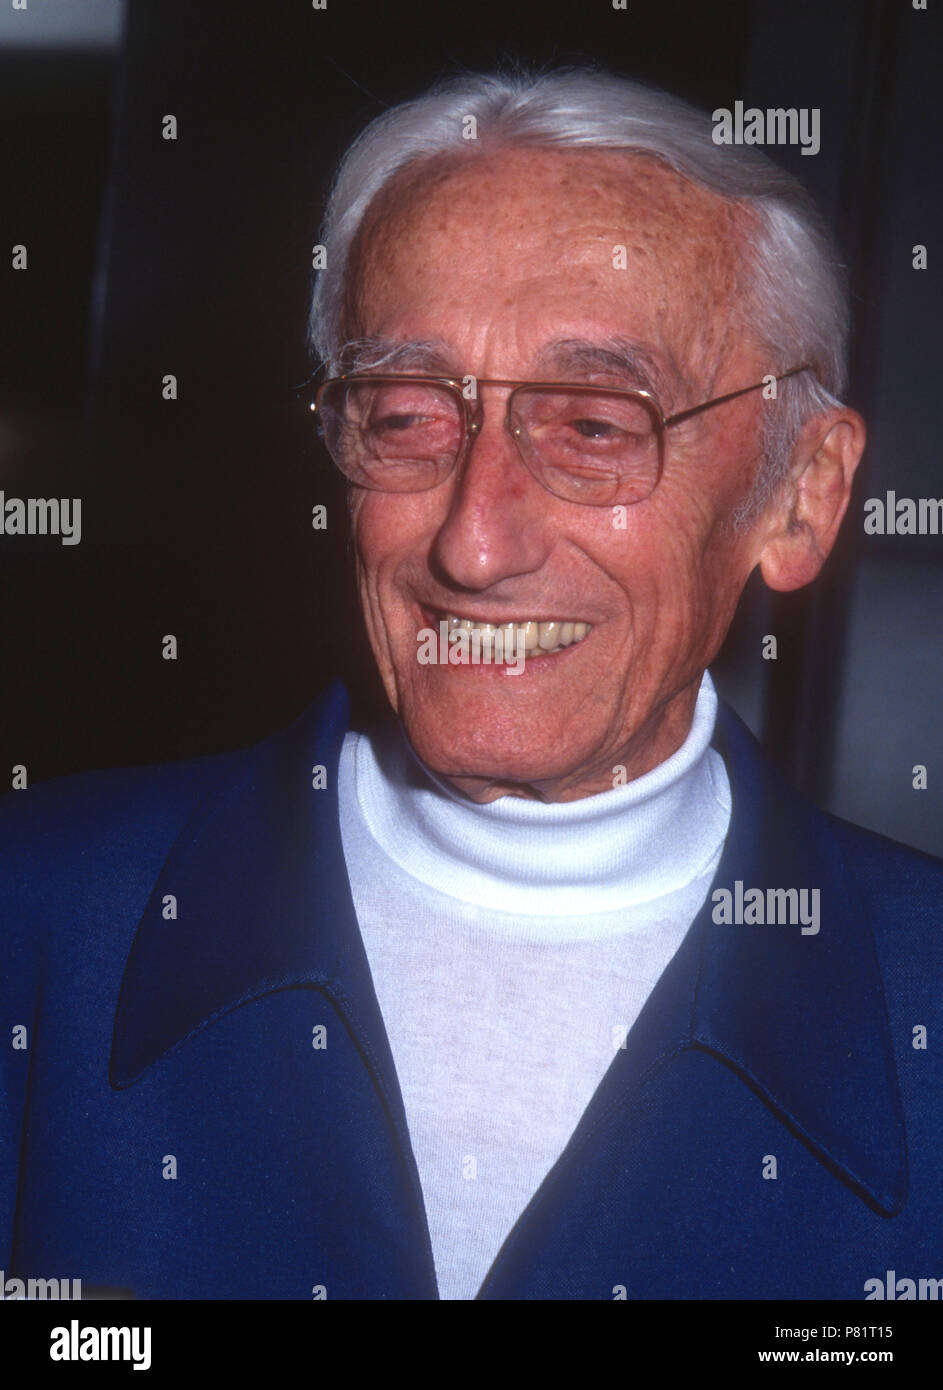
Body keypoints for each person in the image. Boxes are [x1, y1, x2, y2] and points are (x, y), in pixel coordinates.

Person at [2, 67, 941, 1302]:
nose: (473, 544)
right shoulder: (39, 916)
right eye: (405, 417)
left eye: (594, 427)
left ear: (800, 495)